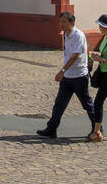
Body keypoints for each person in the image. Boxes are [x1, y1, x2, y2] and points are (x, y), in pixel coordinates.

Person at [37, 12, 97, 140]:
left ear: (72, 23)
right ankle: (51, 129)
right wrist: (64, 73)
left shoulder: (78, 35)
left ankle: (97, 128)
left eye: (64, 22)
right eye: (60, 21)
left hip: (79, 76)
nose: (61, 24)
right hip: (68, 77)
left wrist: (62, 71)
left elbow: (75, 56)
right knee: (59, 103)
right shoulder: (65, 35)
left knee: (87, 104)